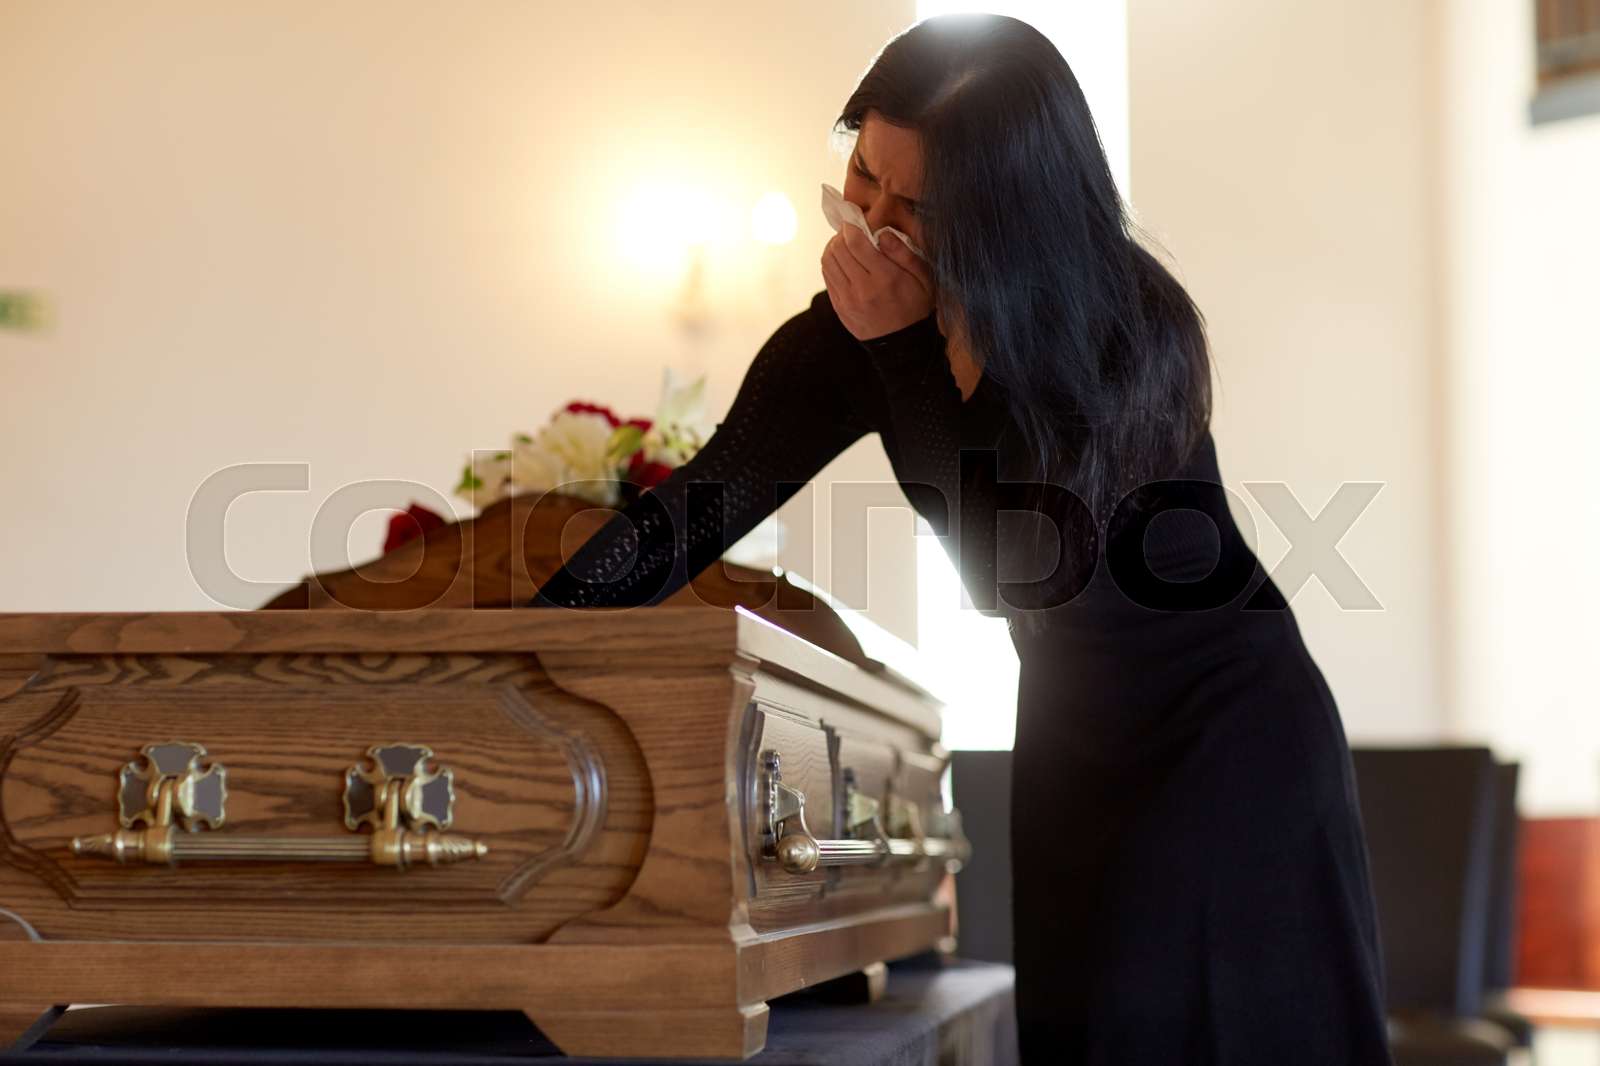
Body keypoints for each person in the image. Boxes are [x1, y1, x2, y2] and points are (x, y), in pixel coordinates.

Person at [533, 14, 1391, 1065]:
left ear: (1004, 209)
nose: (873, 223)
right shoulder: (856, 325)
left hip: (1227, 738)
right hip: (1074, 736)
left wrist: (901, 351)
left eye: (917, 206)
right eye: (861, 176)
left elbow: (1012, 569)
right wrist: (522, 653)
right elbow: (695, 511)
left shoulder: (1129, 326)